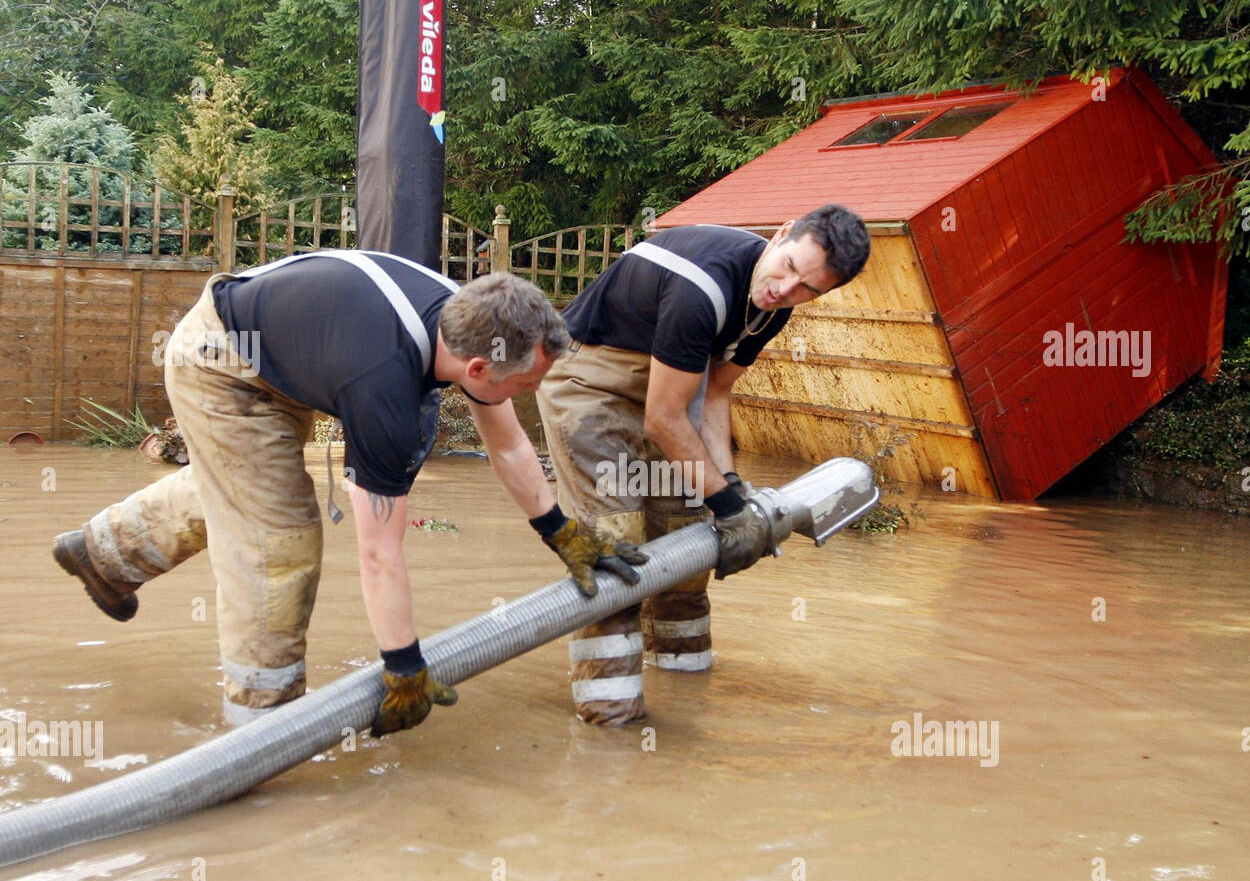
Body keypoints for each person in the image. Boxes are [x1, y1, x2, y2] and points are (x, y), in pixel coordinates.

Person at [53, 253, 645, 736]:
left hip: (279, 350)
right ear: (478, 371)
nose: (534, 391)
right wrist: (404, 665)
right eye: (529, 382)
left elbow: (510, 447)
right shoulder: (383, 388)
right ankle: (262, 723)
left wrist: (561, 532)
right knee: (279, 537)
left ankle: (104, 553)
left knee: (251, 485)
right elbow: (379, 552)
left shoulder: (471, 317)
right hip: (218, 361)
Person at [537, 205, 871, 727]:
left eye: (808, 288)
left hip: (668, 390)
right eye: (787, 267)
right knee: (613, 545)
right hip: (591, 382)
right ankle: (610, 718)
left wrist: (730, 492)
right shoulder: (703, 288)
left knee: (686, 535)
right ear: (780, 232)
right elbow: (665, 420)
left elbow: (714, 393)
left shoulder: (771, 308)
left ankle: (684, 677)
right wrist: (732, 509)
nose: (786, 290)